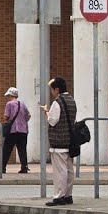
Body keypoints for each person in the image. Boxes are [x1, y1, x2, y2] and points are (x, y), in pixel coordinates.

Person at [39, 76, 77, 206]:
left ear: (57, 89)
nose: (51, 92)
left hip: (59, 141)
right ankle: (68, 195)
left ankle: (59, 196)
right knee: (69, 170)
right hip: (70, 141)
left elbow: (53, 120)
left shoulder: (58, 102)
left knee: (60, 171)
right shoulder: (72, 100)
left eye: (52, 89)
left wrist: (46, 112)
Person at [0, 86, 31, 174]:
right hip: (23, 131)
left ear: (10, 95)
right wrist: (23, 122)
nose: (7, 98)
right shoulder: (22, 104)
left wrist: (9, 120)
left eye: (8, 96)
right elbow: (28, 115)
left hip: (12, 130)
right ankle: (24, 167)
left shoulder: (9, 104)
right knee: (22, 149)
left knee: (7, 149)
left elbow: (6, 117)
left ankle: (2, 167)